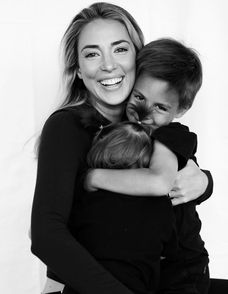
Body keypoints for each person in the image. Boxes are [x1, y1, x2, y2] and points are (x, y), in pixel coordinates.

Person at [30, 2, 213, 294]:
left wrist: (204, 181)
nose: (108, 64)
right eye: (92, 53)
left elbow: (172, 200)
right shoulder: (69, 127)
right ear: (78, 69)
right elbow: (46, 235)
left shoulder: (159, 124)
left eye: (119, 49)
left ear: (138, 56)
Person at [86, 38, 211, 294]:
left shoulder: (171, 136)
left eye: (161, 107)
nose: (144, 113)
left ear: (183, 108)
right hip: (141, 264)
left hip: (182, 268)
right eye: (139, 96)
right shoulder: (120, 132)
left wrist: (93, 177)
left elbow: (158, 182)